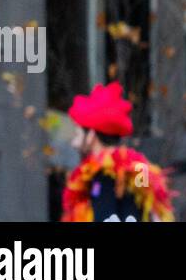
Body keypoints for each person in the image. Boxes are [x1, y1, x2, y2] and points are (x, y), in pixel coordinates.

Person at [61, 82, 175, 222]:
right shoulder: (139, 167)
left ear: (91, 135)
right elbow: (149, 207)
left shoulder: (101, 172)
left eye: (77, 134)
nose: (73, 142)